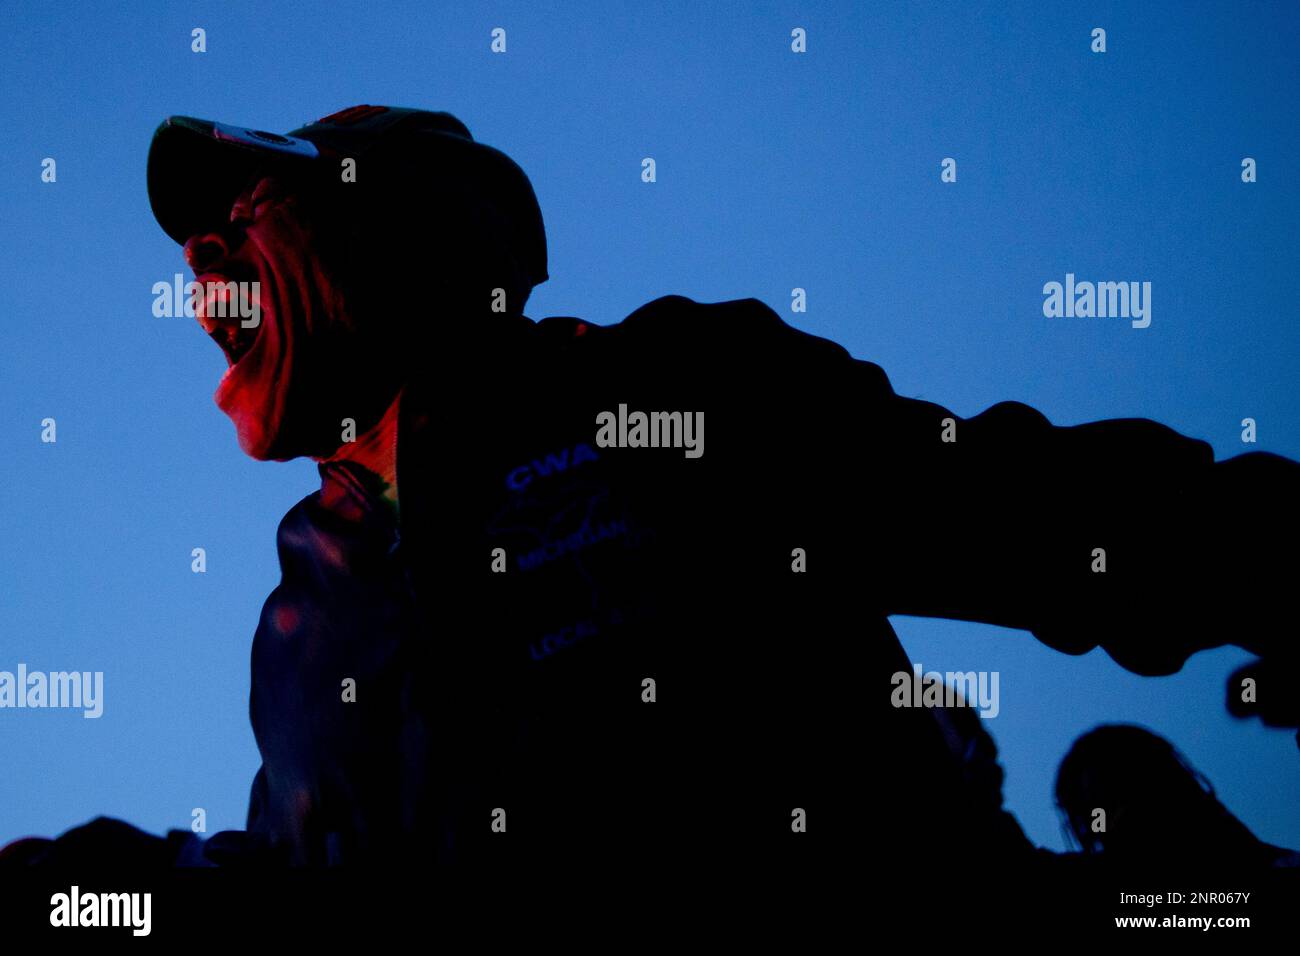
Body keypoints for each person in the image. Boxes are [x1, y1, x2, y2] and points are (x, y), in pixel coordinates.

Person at [6, 105, 1298, 882]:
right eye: (193, 250)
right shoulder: (301, 628)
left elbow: (1029, 513)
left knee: (1120, 789)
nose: (199, 266)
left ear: (407, 232)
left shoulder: (669, 391)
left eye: (248, 215)